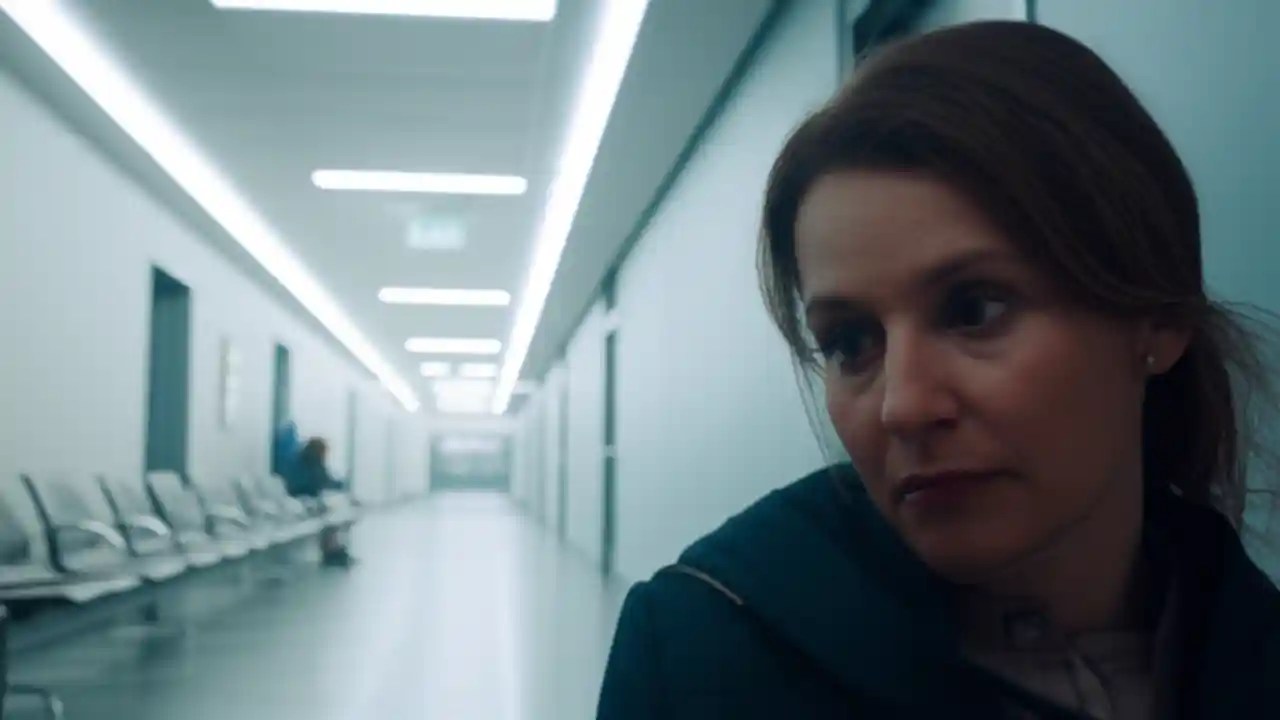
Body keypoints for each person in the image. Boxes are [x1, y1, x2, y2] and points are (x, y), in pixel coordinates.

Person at [598, 21, 1280, 719]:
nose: (904, 405)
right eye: (851, 342)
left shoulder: (1254, 654)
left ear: (1158, 321)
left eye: (975, 309)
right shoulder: (701, 653)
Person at [290, 437, 354, 568]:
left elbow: (326, 480)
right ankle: (332, 551)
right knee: (330, 514)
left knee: (333, 513)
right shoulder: (305, 465)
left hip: (313, 500)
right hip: (301, 501)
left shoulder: (316, 463)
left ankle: (333, 549)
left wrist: (339, 484)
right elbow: (308, 484)